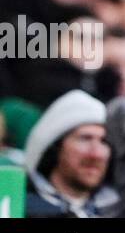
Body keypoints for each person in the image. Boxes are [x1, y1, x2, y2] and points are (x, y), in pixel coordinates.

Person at [23, 90, 118, 218]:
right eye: (85, 138)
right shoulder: (19, 207)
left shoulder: (124, 209)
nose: (96, 154)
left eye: (104, 141)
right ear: (56, 147)